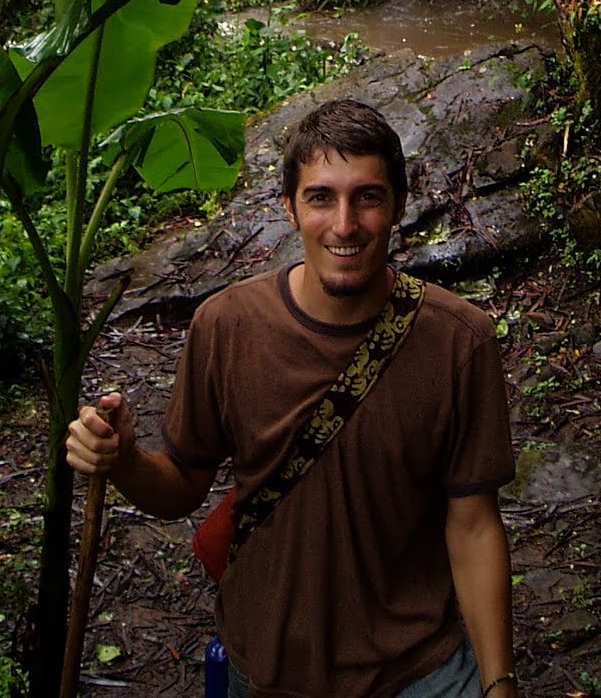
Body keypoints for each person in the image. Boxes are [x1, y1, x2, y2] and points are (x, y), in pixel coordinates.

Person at [65, 98, 518, 698]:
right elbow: (180, 485)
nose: (344, 224)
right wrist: (123, 461)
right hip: (267, 666)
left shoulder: (459, 340)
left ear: (399, 206)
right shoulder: (226, 326)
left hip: (418, 669)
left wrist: (499, 684)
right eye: (321, 197)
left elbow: (474, 526)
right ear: (290, 208)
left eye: (368, 197)